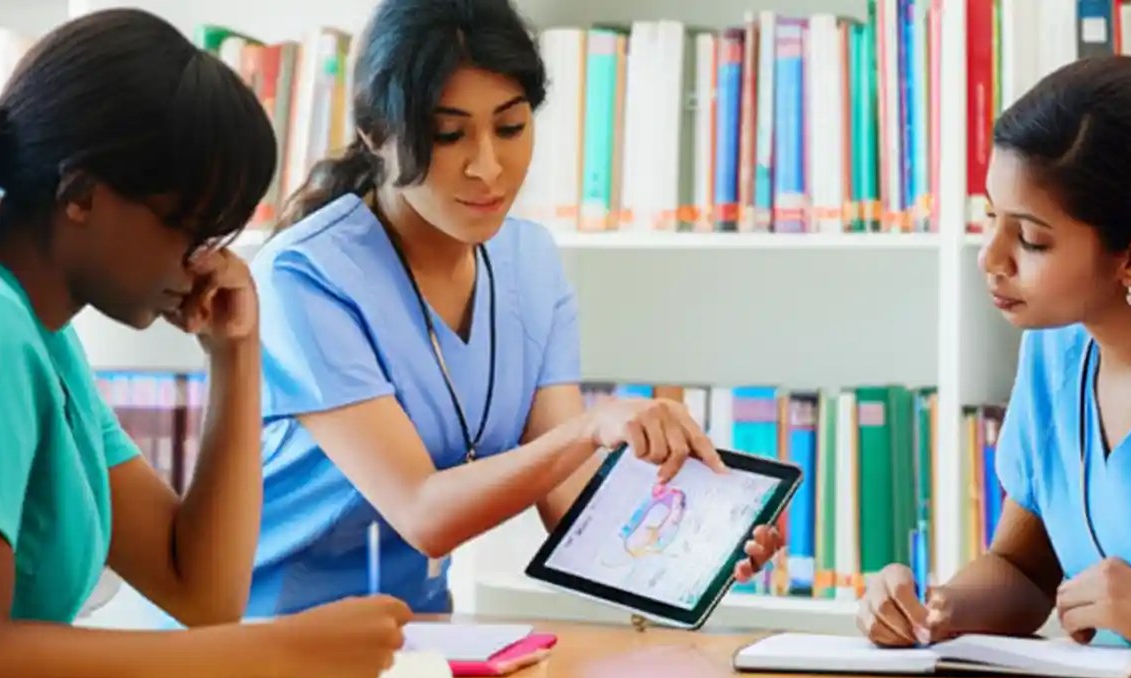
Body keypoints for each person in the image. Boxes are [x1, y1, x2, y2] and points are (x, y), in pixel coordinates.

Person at [247, 0, 783, 617]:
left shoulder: (530, 260)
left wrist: (704, 546)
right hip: (260, 639)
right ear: (376, 135)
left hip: (412, 639)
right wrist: (591, 426)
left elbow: (570, 503)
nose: (488, 166)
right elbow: (424, 514)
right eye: (448, 134)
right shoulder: (303, 276)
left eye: (510, 127)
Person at [0, 10, 413, 678]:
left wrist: (235, 355)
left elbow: (201, 593)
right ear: (81, 196)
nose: (202, 263)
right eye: (187, 227)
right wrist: (278, 650)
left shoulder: (44, 339)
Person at [857, 54, 1131, 661]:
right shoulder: (1055, 351)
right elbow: (1022, 572)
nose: (990, 258)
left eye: (1031, 238)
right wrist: (934, 611)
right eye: (991, 217)